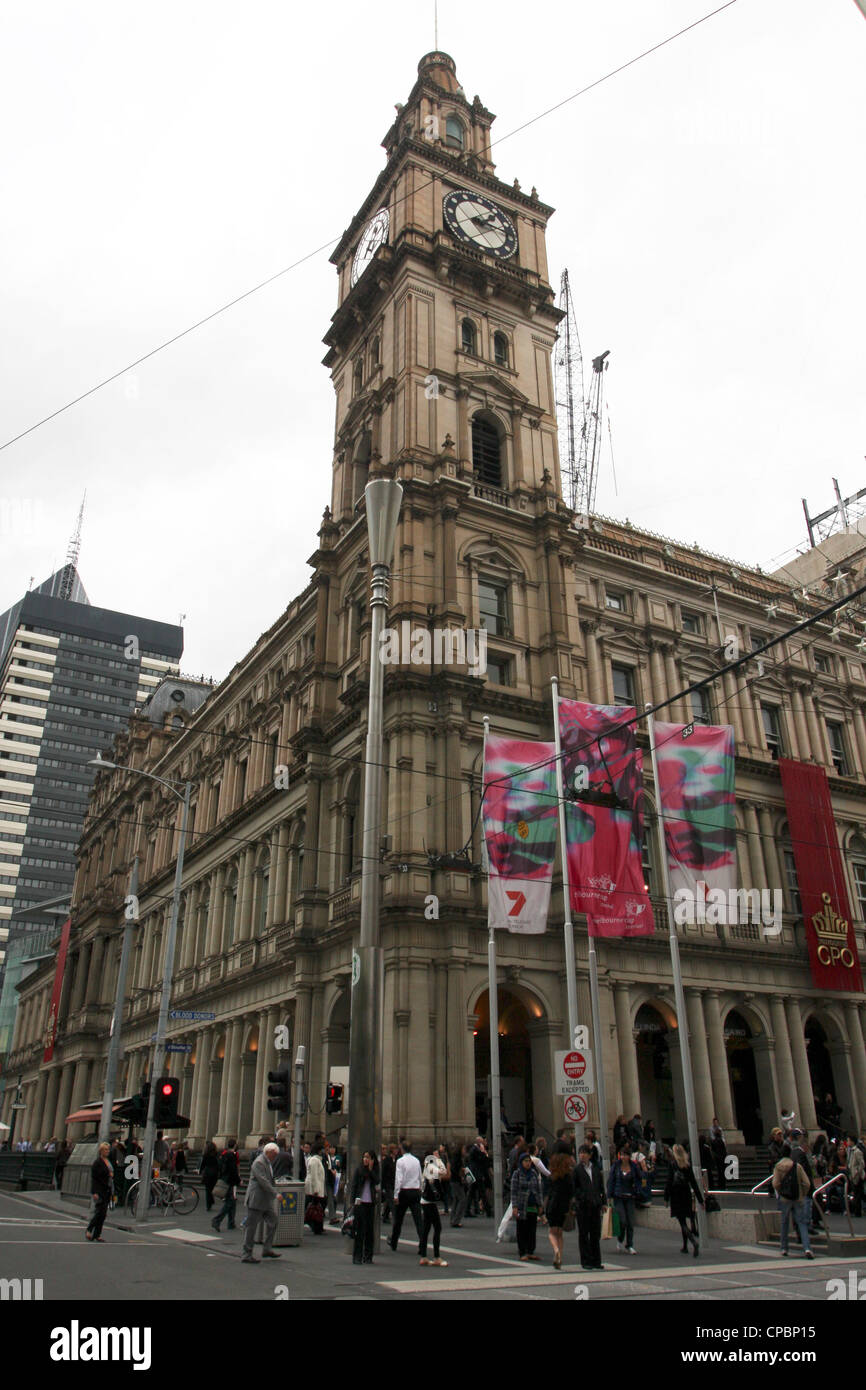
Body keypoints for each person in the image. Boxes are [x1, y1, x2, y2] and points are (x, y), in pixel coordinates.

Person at [241, 1141, 282, 1263]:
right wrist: (275, 1193)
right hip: (256, 1199)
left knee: (273, 1221)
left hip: (265, 1200)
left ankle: (267, 1249)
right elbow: (263, 1181)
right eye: (274, 1155)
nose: (274, 1158)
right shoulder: (259, 1162)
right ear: (269, 1152)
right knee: (251, 1227)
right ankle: (246, 1254)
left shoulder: (267, 1162)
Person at [772, 1143, 813, 1258]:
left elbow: (775, 1183)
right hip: (797, 1198)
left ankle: (784, 1248)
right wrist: (802, 1194)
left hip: (785, 1199)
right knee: (802, 1223)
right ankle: (807, 1248)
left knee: (784, 1223)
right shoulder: (797, 1166)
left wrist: (781, 1192)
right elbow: (807, 1183)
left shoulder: (778, 1166)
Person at [665, 1143, 703, 1257]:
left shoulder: (672, 1165)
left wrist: (666, 1198)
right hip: (686, 1194)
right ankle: (685, 1246)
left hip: (676, 1195)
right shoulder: (687, 1165)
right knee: (684, 1221)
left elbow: (668, 1182)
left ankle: (693, 1242)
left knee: (682, 1223)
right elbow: (694, 1183)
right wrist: (701, 1200)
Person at [607, 1145, 641, 1254]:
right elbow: (611, 1181)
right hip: (618, 1197)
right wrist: (609, 1196)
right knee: (622, 1221)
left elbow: (639, 1179)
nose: (623, 1157)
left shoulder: (634, 1167)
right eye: (621, 1155)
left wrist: (638, 1191)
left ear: (629, 1156)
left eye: (625, 1155)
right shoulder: (616, 1166)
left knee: (630, 1222)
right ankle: (620, 1239)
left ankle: (630, 1244)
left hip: (630, 1196)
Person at [389, 1140, 423, 1248]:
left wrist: (396, 1195)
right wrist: (420, 1189)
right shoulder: (416, 1161)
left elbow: (398, 1179)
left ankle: (394, 1242)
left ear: (402, 1149)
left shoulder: (400, 1161)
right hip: (415, 1190)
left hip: (404, 1191)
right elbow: (420, 1177)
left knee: (398, 1220)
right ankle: (423, 1243)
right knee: (418, 1219)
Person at [546, 1144, 575, 1270]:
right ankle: (560, 1257)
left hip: (553, 1204)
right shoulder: (569, 1176)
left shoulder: (552, 1175)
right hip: (564, 1205)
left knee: (552, 1232)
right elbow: (571, 1192)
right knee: (560, 1233)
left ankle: (556, 1250)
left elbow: (548, 1191)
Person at [510, 1149, 543, 1261]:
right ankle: (522, 1252)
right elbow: (513, 1191)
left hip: (532, 1205)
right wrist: (514, 1206)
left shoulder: (534, 1173)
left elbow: (538, 1190)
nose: (528, 1163)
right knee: (522, 1229)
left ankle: (530, 1251)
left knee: (532, 1229)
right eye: (525, 1161)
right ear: (521, 1162)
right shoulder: (517, 1174)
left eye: (529, 1161)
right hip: (522, 1205)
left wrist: (540, 1204)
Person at [419, 1149, 449, 1267]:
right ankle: (436, 1256)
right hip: (429, 1202)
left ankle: (424, 1256)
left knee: (426, 1229)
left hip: (425, 1200)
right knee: (437, 1227)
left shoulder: (426, 1168)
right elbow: (444, 1171)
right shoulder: (432, 1167)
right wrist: (439, 1160)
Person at [349, 1149, 379, 1264]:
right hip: (360, 1203)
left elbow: (377, 1181)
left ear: (372, 1159)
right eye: (364, 1157)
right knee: (359, 1230)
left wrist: (371, 1170)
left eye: (368, 1157)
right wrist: (353, 1202)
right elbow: (354, 1186)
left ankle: (368, 1255)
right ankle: (357, 1256)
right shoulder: (359, 1169)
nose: (365, 1159)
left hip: (370, 1203)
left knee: (369, 1231)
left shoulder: (374, 1170)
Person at [85, 1142, 114, 1242]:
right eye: (106, 1150)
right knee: (99, 1212)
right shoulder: (97, 1163)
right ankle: (89, 1229)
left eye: (108, 1150)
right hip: (100, 1189)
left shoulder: (108, 1161)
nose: (107, 1151)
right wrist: (94, 1192)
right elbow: (94, 1178)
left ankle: (97, 1234)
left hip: (107, 1189)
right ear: (101, 1151)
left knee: (103, 1214)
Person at [212, 1138, 240, 1232]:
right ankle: (217, 1220)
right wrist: (238, 1180)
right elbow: (233, 1170)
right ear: (235, 1145)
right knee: (229, 1202)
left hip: (225, 1179)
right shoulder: (231, 1155)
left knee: (232, 1202)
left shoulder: (223, 1154)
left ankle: (231, 1223)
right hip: (229, 1181)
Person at [304, 1141, 327, 1234]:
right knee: (316, 1207)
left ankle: (317, 1225)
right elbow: (313, 1176)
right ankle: (315, 1225)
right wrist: (316, 1189)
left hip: (317, 1187)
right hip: (314, 1188)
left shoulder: (318, 1160)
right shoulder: (314, 1160)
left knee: (317, 1207)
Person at [449, 1142, 467, 1227]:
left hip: (454, 1181)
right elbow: (456, 1170)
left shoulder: (455, 1158)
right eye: (463, 1149)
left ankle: (453, 1219)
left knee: (456, 1200)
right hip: (456, 1181)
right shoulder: (458, 1159)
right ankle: (456, 1220)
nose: (464, 1151)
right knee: (462, 1199)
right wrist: (462, 1173)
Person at [199, 1140, 220, 1210]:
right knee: (212, 1188)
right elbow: (218, 1164)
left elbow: (203, 1164)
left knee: (207, 1190)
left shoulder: (205, 1155)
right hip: (214, 1173)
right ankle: (211, 1200)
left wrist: (200, 1171)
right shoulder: (216, 1154)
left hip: (207, 1173)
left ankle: (208, 1204)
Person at [381, 1142, 397, 1224]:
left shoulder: (396, 1159)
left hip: (393, 1182)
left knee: (389, 1200)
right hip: (388, 1183)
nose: (396, 1150)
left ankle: (385, 1215)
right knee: (391, 1200)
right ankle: (395, 1218)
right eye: (395, 1149)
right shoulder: (387, 1160)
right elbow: (383, 1172)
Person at [710, 1120, 727, 1191]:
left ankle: (720, 1185)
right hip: (722, 1158)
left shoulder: (714, 1142)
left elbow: (713, 1150)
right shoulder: (721, 1142)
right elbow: (724, 1150)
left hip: (717, 1158)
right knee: (722, 1172)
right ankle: (722, 1185)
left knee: (719, 1172)